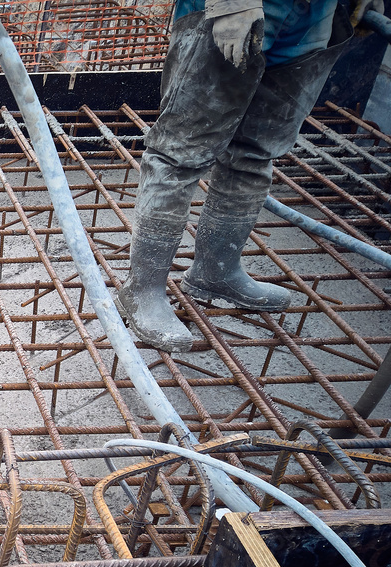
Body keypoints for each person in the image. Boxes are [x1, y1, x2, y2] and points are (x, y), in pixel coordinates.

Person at [115, 0, 383, 353]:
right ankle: (143, 291)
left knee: (256, 153)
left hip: (315, 14)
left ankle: (216, 272)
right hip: (242, 7)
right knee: (180, 153)